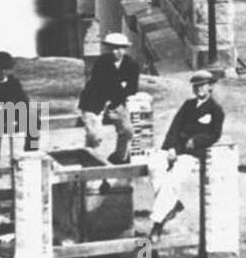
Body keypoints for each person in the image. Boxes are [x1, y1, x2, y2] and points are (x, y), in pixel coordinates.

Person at [147, 70, 225, 243]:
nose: (199, 89)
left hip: (192, 153)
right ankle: (173, 205)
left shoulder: (215, 110)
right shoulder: (188, 105)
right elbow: (174, 127)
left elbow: (215, 135)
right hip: (176, 148)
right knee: (154, 166)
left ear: (211, 87)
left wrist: (196, 140)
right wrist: (170, 148)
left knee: (172, 181)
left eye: (202, 85)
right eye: (196, 86)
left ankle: (157, 224)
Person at [78, 32, 141, 165]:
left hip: (115, 102)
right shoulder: (101, 62)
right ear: (108, 49)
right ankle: (89, 161)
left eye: (120, 48)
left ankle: (119, 157)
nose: (116, 51)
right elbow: (100, 85)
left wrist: (116, 99)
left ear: (125, 49)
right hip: (94, 102)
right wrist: (119, 88)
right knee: (94, 136)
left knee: (128, 131)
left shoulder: (132, 65)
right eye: (113, 48)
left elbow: (132, 89)